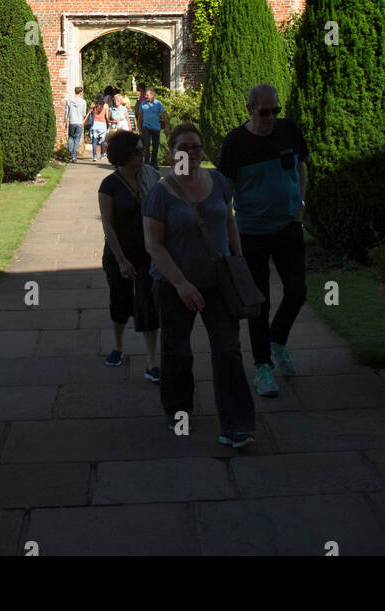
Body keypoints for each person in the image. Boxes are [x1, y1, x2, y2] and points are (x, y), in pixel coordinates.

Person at [143, 121, 256, 449]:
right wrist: (181, 285)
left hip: (219, 283)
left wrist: (238, 260)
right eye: (184, 148)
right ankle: (179, 412)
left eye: (197, 147)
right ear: (172, 152)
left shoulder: (218, 181)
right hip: (173, 285)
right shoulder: (160, 193)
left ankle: (237, 425)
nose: (192, 154)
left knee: (228, 351)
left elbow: (229, 221)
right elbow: (154, 245)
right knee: (177, 352)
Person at [217, 84, 310, 399]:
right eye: (264, 111)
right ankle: (262, 366)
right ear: (250, 110)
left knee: (298, 291)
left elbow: (301, 167)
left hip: (288, 226)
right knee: (259, 302)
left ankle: (277, 340)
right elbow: (225, 190)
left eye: (275, 110)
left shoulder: (288, 131)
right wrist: (227, 232)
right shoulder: (235, 143)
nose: (271, 117)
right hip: (252, 232)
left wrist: (300, 206)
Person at [98, 132, 162, 377]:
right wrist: (122, 260)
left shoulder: (152, 177)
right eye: (136, 152)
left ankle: (152, 360)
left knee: (148, 304)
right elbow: (108, 226)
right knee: (120, 301)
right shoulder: (109, 185)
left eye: (142, 151)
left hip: (148, 253)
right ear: (123, 155)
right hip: (119, 253)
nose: (141, 156)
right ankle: (118, 346)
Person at [136, 86, 169, 167]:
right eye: (145, 95)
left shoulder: (158, 104)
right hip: (146, 128)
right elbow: (140, 116)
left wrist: (166, 126)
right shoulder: (143, 104)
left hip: (156, 128)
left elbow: (163, 115)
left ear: (152, 95)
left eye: (147, 95)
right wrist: (139, 128)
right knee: (146, 145)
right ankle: (146, 163)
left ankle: (154, 163)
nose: (145, 97)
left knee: (155, 147)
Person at [63, 85, 87, 162]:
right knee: (77, 140)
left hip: (72, 121)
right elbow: (84, 113)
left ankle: (70, 150)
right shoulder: (83, 102)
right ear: (81, 92)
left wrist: (65, 121)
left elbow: (66, 112)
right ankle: (74, 157)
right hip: (79, 122)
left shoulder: (69, 100)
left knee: (70, 137)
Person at [88, 95, 111, 163]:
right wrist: (109, 122)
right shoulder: (105, 106)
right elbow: (106, 117)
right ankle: (102, 154)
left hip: (95, 123)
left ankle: (94, 156)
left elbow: (91, 113)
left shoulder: (93, 104)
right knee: (102, 140)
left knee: (94, 140)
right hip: (102, 124)